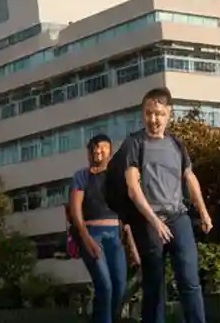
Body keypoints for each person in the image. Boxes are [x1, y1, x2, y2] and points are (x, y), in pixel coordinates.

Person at [122, 87, 214, 323]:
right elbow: (132, 188)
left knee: (190, 280)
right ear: (143, 114)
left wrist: (203, 211)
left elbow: (190, 178)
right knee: (154, 285)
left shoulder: (176, 144)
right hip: (149, 220)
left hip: (178, 217)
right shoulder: (135, 143)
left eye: (159, 114)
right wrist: (153, 221)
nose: (154, 119)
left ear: (168, 114)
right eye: (149, 113)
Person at [70, 134, 138, 323]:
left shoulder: (117, 176)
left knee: (120, 287)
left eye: (102, 147)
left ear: (110, 150)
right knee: (105, 286)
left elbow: (126, 215)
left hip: (115, 236)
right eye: (94, 148)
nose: (98, 151)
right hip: (92, 235)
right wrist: (86, 238)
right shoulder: (82, 176)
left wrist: (133, 246)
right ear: (88, 152)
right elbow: (76, 211)